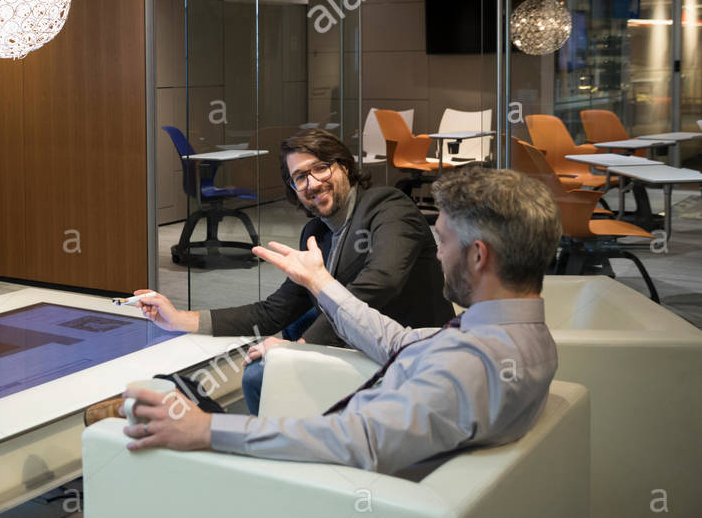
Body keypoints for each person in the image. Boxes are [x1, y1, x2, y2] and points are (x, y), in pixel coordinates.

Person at [119, 166, 561, 475]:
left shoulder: (468, 361)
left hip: (319, 486)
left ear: (478, 255)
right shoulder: (520, 336)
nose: (439, 254)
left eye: (442, 241)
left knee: (148, 424)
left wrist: (207, 430)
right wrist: (319, 281)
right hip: (347, 461)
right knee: (176, 393)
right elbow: (397, 340)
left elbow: (354, 440)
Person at [134, 128, 453, 412]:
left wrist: (298, 349)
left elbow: (381, 283)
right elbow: (274, 310)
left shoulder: (387, 206)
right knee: (295, 322)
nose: (312, 183)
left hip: (407, 353)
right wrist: (179, 318)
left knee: (261, 374)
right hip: (356, 346)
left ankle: (276, 449)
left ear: (344, 166)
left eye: (321, 168)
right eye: (300, 177)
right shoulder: (317, 233)